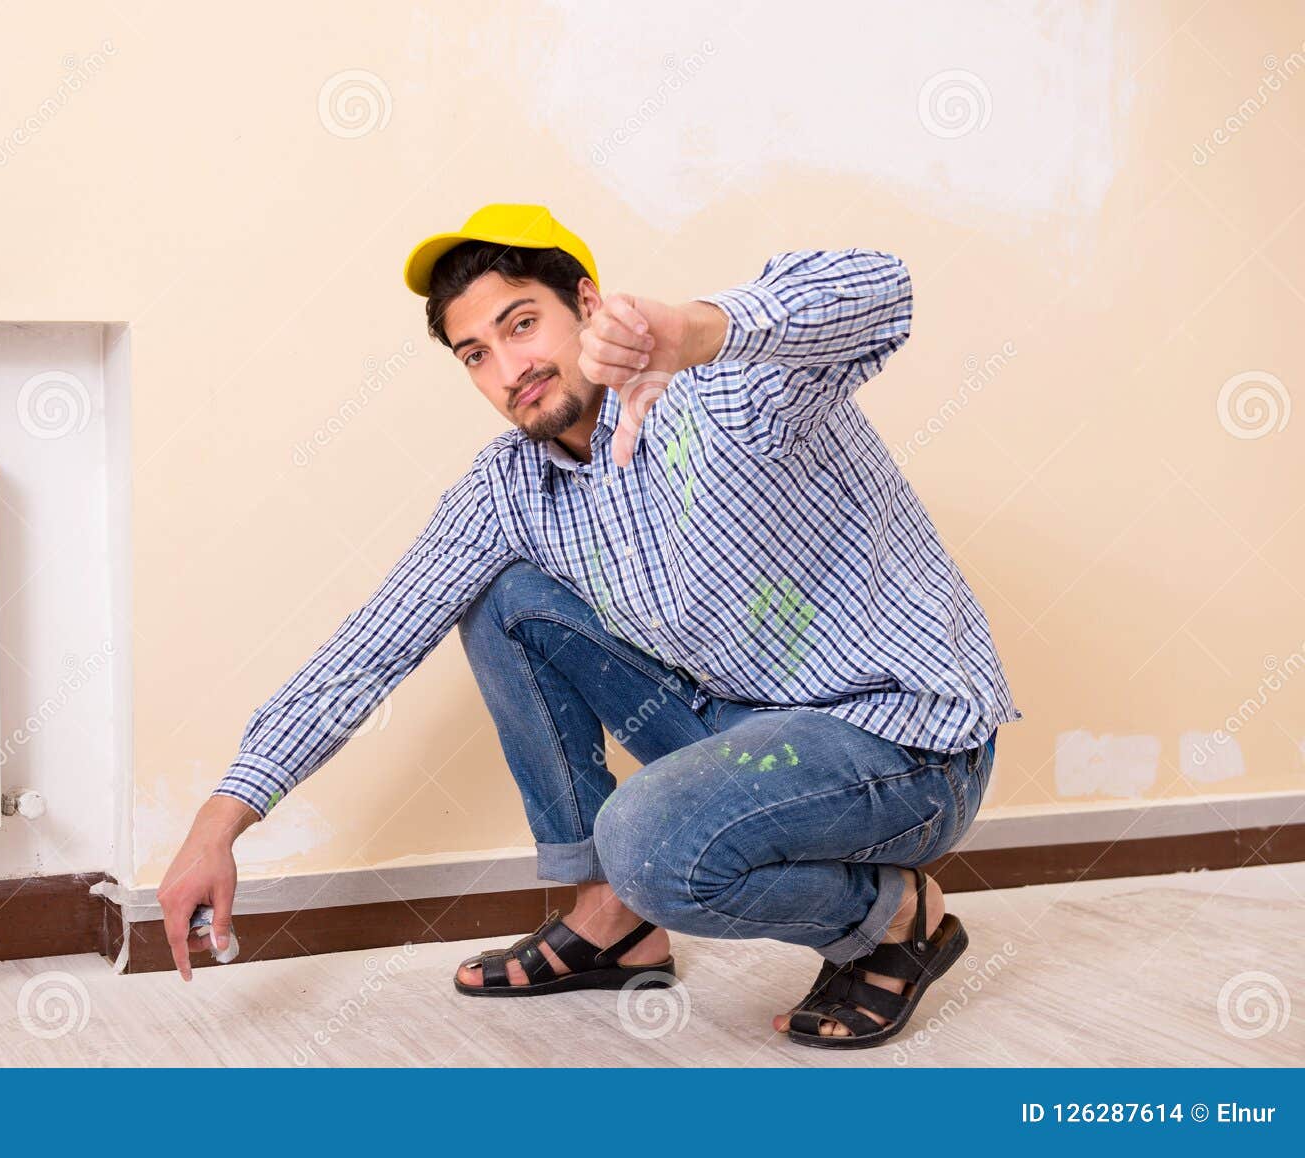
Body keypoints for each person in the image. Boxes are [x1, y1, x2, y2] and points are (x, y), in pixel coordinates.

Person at [159, 203, 1021, 1048]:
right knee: (504, 598)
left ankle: (896, 919)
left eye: (522, 323)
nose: (508, 368)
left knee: (651, 840)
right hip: (745, 732)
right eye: (476, 354)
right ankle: (613, 918)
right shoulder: (510, 486)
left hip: (901, 745)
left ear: (587, 303)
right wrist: (221, 819)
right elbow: (372, 645)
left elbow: (882, 288)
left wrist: (693, 329)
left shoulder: (721, 385)